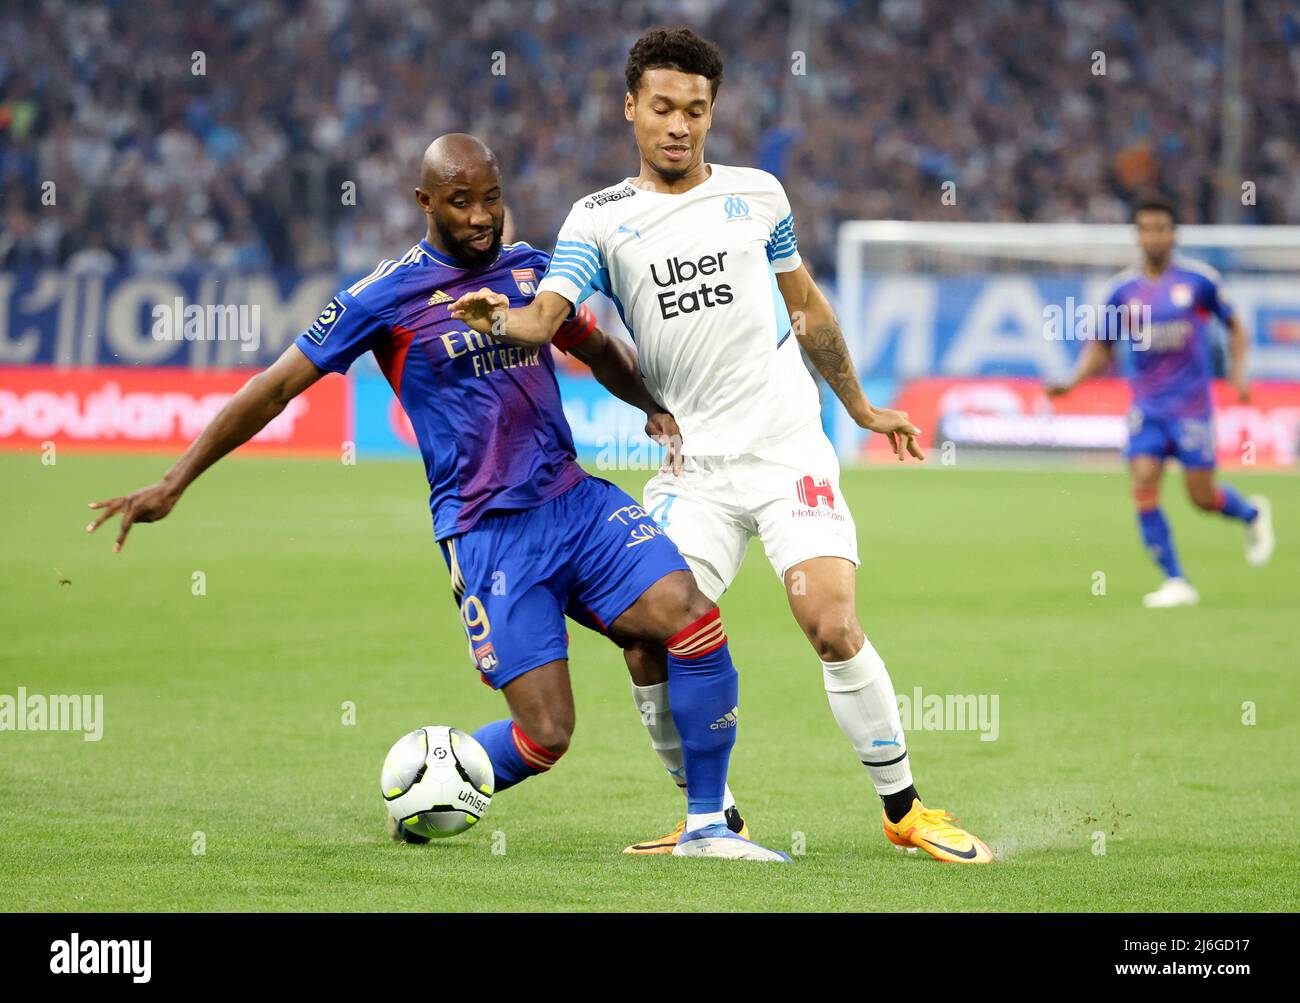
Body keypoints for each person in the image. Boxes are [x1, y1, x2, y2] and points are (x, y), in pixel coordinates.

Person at [86, 132, 789, 861]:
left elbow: (593, 345)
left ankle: (708, 824)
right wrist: (174, 481)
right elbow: (273, 389)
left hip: (575, 502)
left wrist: (651, 404)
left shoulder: (531, 272)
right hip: (488, 534)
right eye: (462, 202)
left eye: (492, 197)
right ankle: (428, 779)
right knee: (547, 735)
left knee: (688, 619)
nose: (483, 216)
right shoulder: (382, 297)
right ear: (425, 203)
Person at [451, 29, 992, 864]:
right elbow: (549, 321)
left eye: (696, 110)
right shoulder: (598, 220)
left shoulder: (758, 195)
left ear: (713, 112)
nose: (679, 125)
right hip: (693, 469)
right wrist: (501, 319)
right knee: (649, 635)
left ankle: (906, 808)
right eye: (663, 107)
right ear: (630, 107)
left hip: (786, 450)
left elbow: (807, 310)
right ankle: (712, 816)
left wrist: (860, 405)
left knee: (830, 621)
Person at [1049, 194, 1274, 607]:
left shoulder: (1198, 282)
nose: (1153, 236)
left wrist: (1239, 375)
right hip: (1147, 408)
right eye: (1146, 229)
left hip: (1191, 408)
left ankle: (1251, 515)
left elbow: (1236, 326)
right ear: (1137, 236)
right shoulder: (1122, 291)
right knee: (1144, 481)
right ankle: (1176, 580)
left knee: (1201, 497)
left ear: (1174, 234)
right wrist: (1072, 382)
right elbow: (1102, 346)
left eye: (1161, 228)